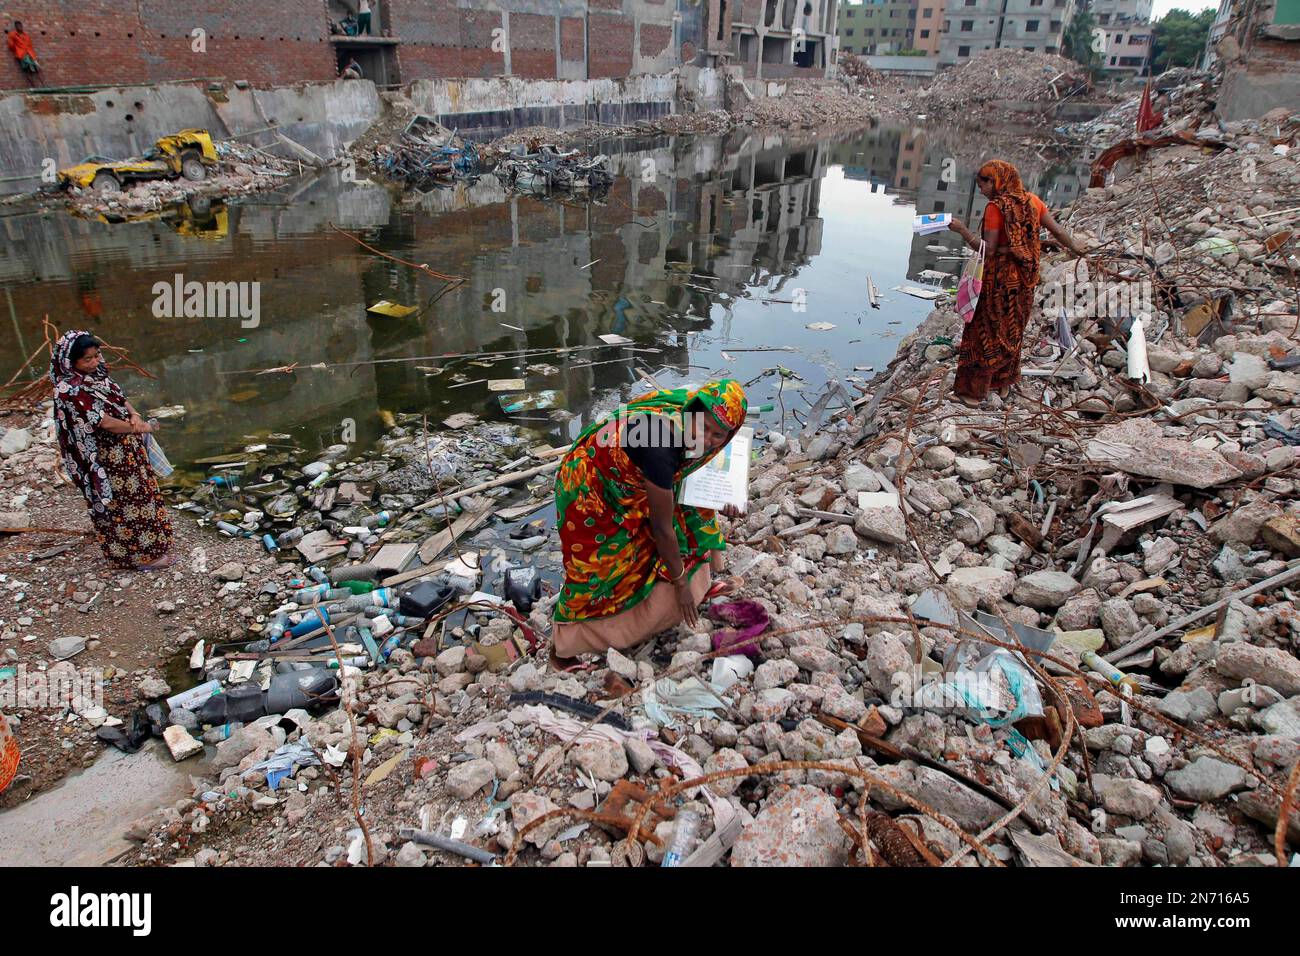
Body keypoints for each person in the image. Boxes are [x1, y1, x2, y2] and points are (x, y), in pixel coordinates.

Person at [551, 380, 749, 667]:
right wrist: (680, 584)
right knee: (597, 568)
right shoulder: (661, 446)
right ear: (692, 413)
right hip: (590, 486)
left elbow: (700, 473)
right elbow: (661, 527)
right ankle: (563, 649)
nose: (705, 439)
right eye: (702, 427)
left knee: (688, 519)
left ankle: (696, 586)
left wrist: (727, 496)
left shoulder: (687, 406)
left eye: (717, 435)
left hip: (638, 476)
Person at [947, 160, 1084, 406]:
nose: (981, 191)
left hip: (997, 282)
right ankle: (1003, 385)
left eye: (983, 185)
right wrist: (1077, 249)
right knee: (1012, 332)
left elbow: (986, 250)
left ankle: (973, 394)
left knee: (985, 334)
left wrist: (962, 231)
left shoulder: (995, 208)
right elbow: (1059, 232)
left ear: (995, 181)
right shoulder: (1032, 201)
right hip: (1024, 280)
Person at [50, 331, 176, 570]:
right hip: (107, 458)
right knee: (123, 504)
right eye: (87, 359)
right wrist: (142, 427)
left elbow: (120, 398)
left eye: (97, 356)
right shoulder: (69, 389)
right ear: (70, 361)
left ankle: (155, 546)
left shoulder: (98, 376)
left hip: (128, 450)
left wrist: (135, 414)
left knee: (144, 496)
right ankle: (140, 557)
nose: (95, 362)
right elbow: (103, 422)